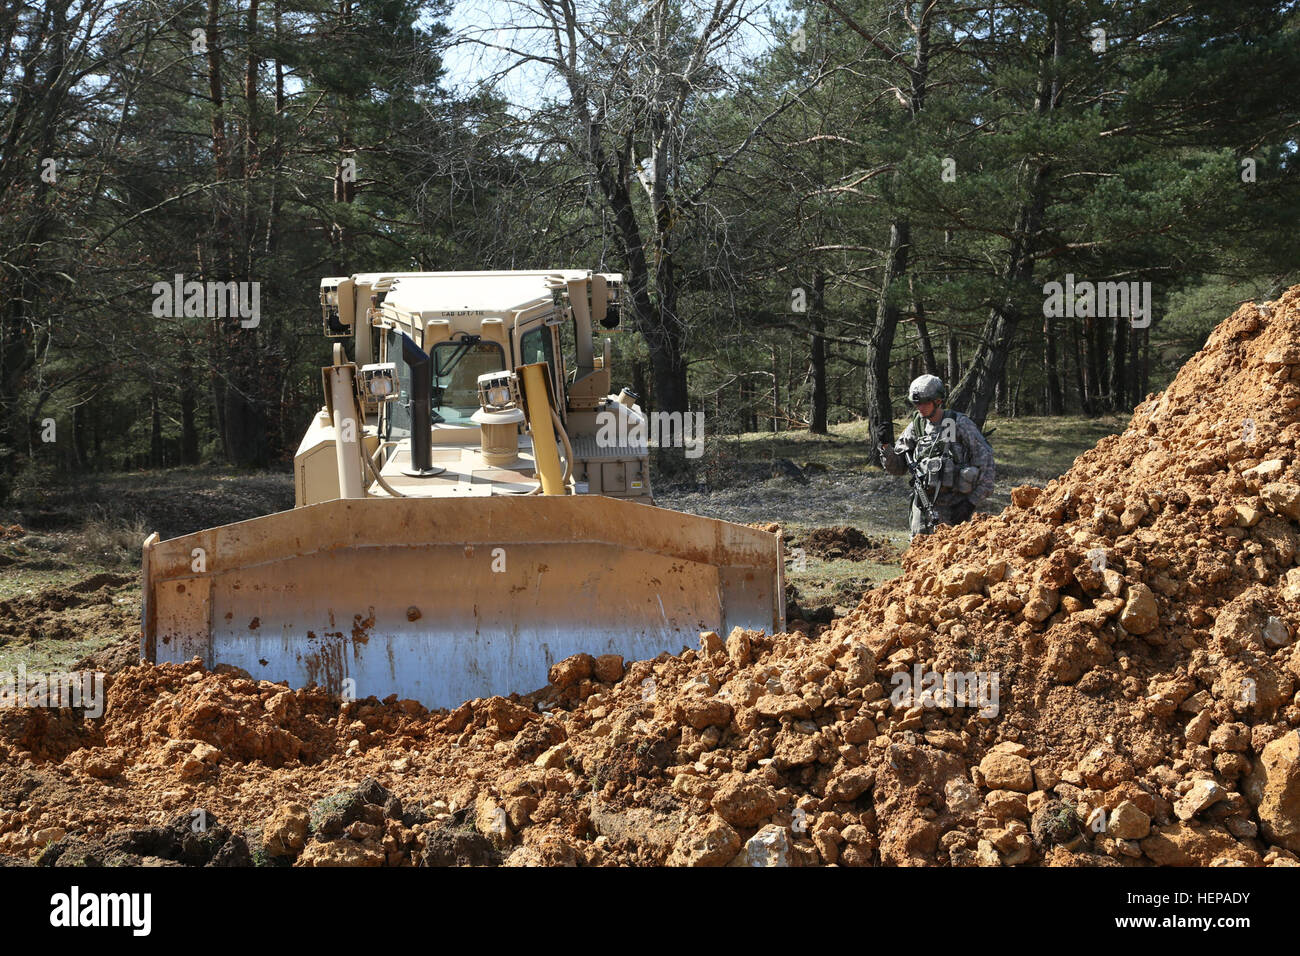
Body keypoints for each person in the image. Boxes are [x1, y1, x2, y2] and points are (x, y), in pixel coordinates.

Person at [878, 374, 995, 537]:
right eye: (916, 403)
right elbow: (898, 468)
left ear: (938, 401)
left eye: (924, 403)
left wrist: (970, 503)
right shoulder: (916, 426)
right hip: (923, 508)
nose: (920, 408)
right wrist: (885, 447)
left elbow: (986, 465)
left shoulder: (957, 424)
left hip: (955, 509)